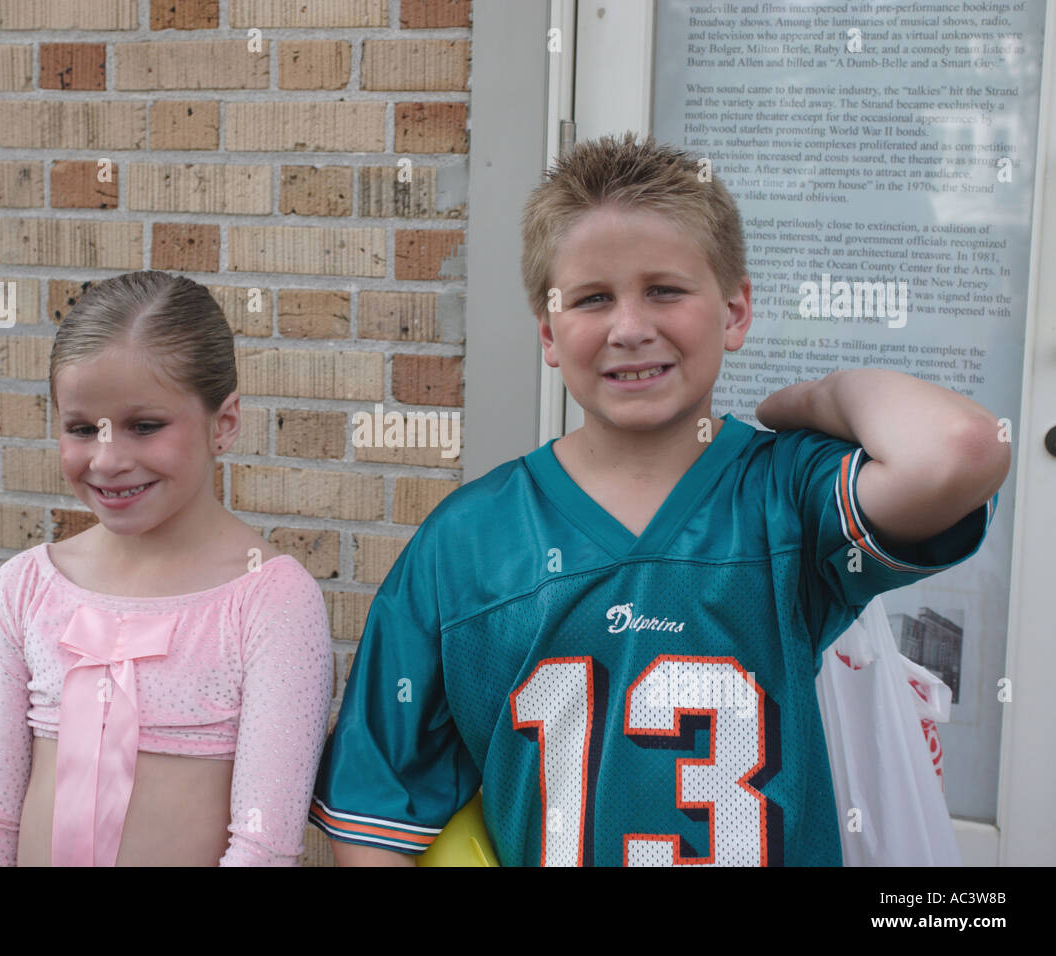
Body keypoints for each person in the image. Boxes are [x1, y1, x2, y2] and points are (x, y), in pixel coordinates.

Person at [308, 132, 1008, 866]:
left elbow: (960, 447)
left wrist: (816, 395)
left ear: (736, 312)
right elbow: (373, 817)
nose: (631, 328)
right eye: (591, 299)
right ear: (548, 333)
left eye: (665, 290)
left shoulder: (784, 496)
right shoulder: (467, 540)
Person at [0, 271, 333, 866]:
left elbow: (264, 846)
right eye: (82, 429)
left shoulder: (269, 600)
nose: (108, 459)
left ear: (223, 423)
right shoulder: (23, 591)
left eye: (144, 426)